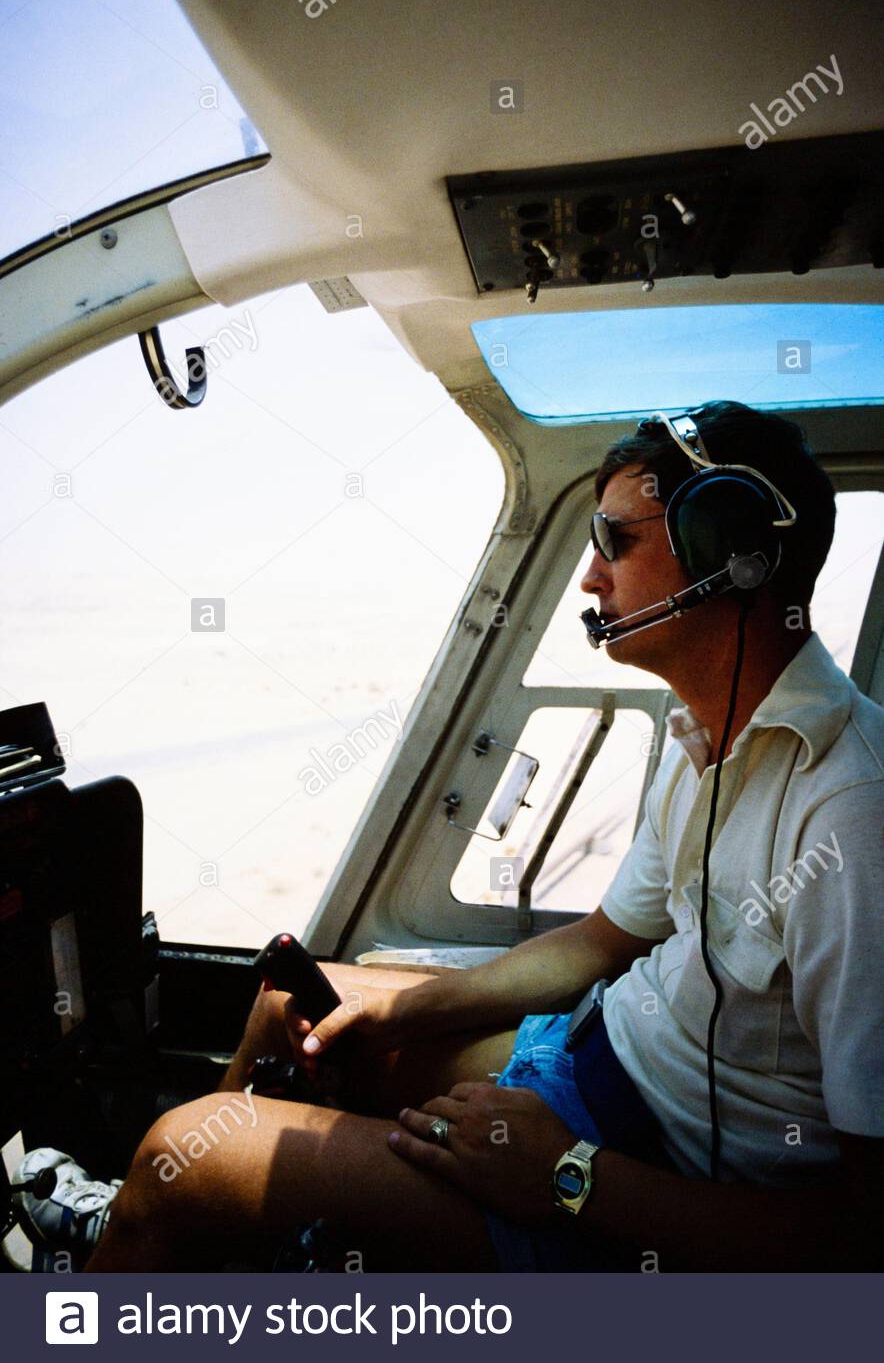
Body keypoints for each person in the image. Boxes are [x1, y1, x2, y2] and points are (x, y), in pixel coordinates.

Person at [23, 402, 884, 1272]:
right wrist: (397, 1010)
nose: (590, 577)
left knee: (194, 1156)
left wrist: (567, 1175)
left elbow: (861, 1235)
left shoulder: (851, 813)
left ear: (731, 551)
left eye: (614, 540)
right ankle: (157, 1231)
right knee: (294, 1009)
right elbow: (599, 943)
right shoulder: (705, 732)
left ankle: (153, 1218)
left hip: (640, 1183)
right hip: (589, 1065)